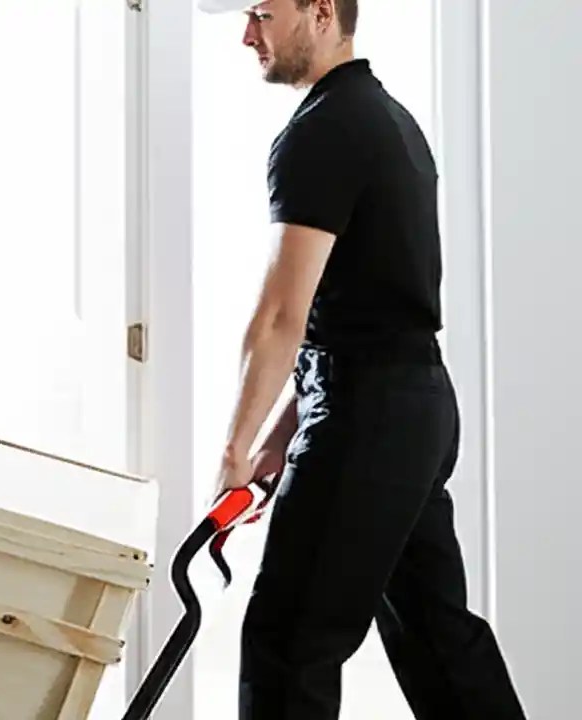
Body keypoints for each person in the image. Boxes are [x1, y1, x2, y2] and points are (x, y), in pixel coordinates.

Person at [195, 1, 527, 718]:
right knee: (440, 640)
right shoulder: (388, 121)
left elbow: (283, 316)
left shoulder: (323, 132)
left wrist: (233, 448)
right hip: (411, 409)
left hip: (368, 419)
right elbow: (359, 311)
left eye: (262, 13)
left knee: (288, 643)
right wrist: (284, 433)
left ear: (319, 13)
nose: (247, 33)